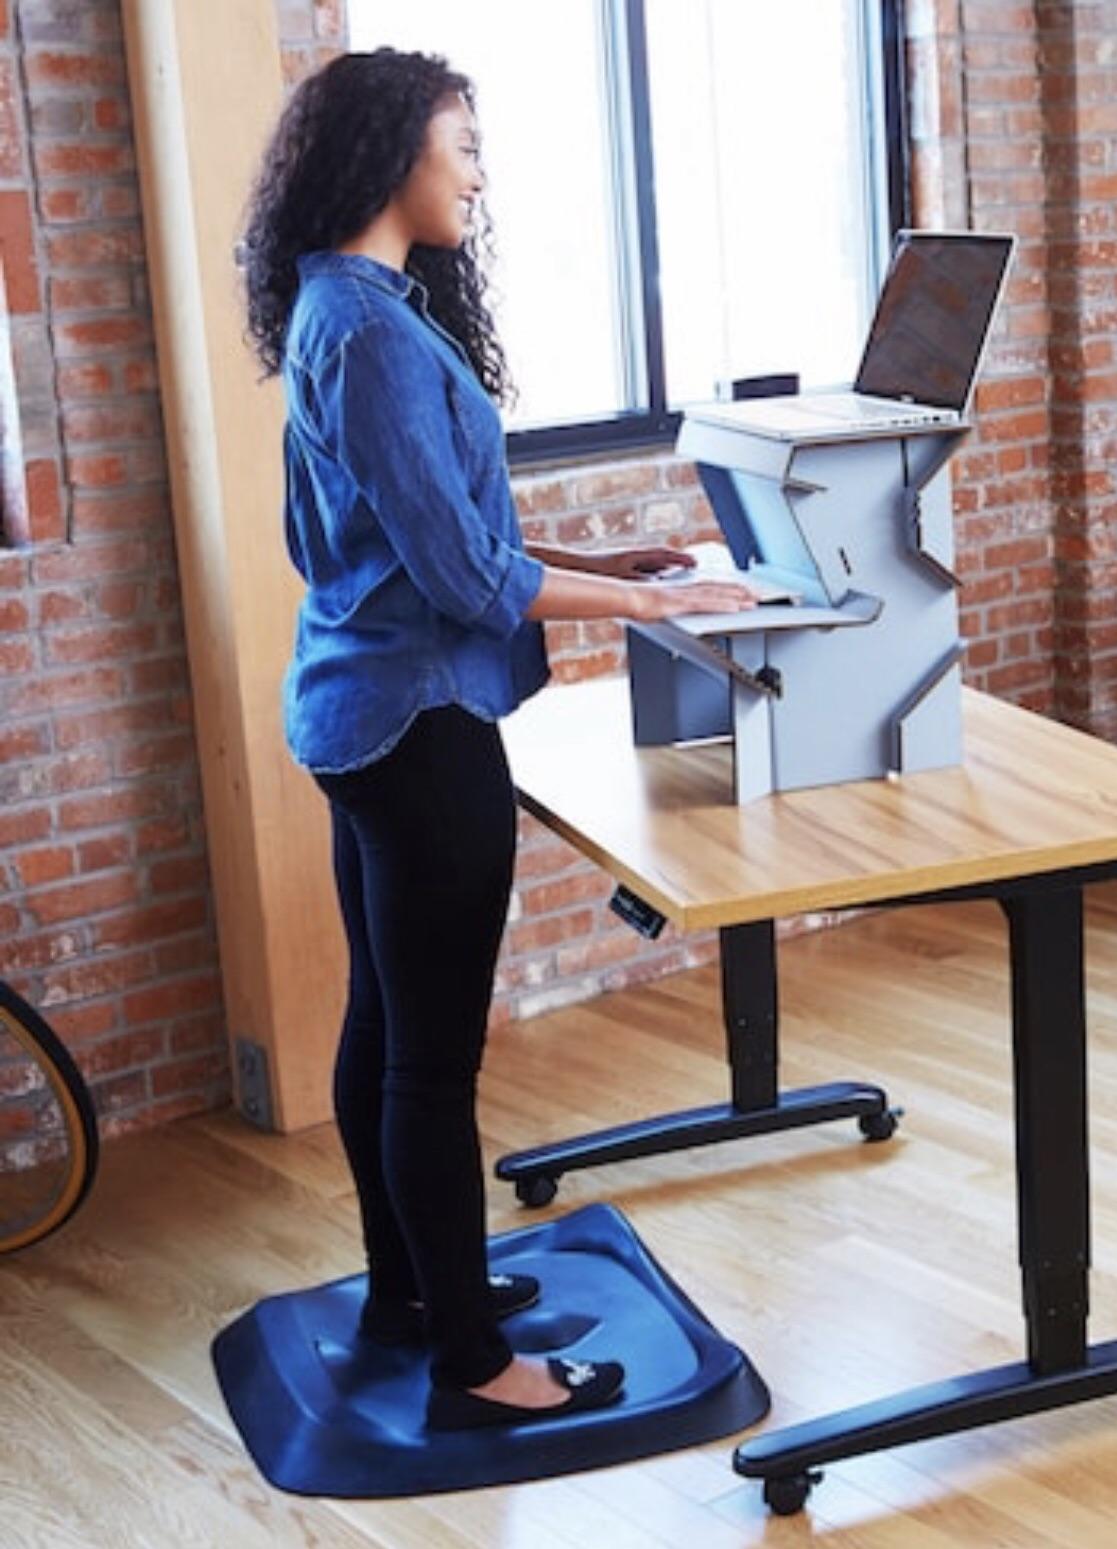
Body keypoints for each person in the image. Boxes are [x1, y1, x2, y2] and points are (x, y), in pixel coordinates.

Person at [240, 47, 756, 1432]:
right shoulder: (367, 335)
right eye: (459, 143)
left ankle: (414, 1290)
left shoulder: (339, 313)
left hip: (358, 710)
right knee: (429, 1061)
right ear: (389, 154)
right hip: (417, 727)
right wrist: (685, 600)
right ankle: (471, 1358)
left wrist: (617, 558)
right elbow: (470, 585)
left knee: (382, 1026)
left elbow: (433, 544)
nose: (475, 171)